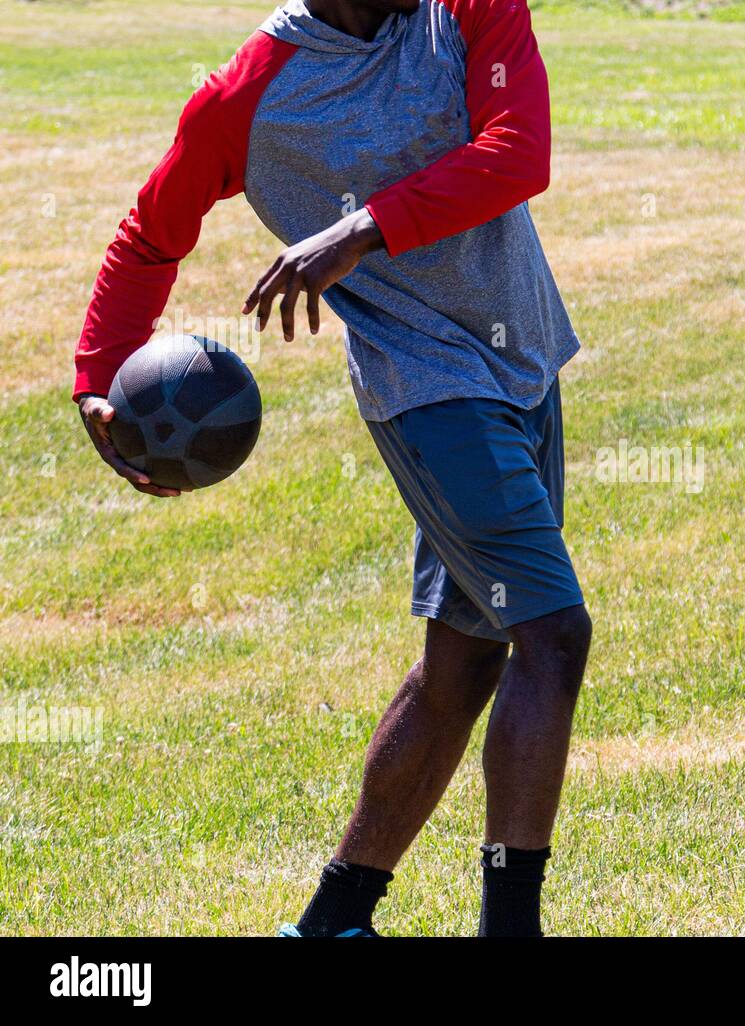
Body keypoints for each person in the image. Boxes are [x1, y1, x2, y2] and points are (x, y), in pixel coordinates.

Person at [73, 0, 589, 938]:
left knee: (466, 661)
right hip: (429, 392)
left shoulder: (472, 11)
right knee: (554, 637)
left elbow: (520, 152)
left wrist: (358, 231)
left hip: (523, 363)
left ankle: (331, 922)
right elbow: (151, 234)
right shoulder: (249, 96)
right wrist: (99, 380)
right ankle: (511, 927)